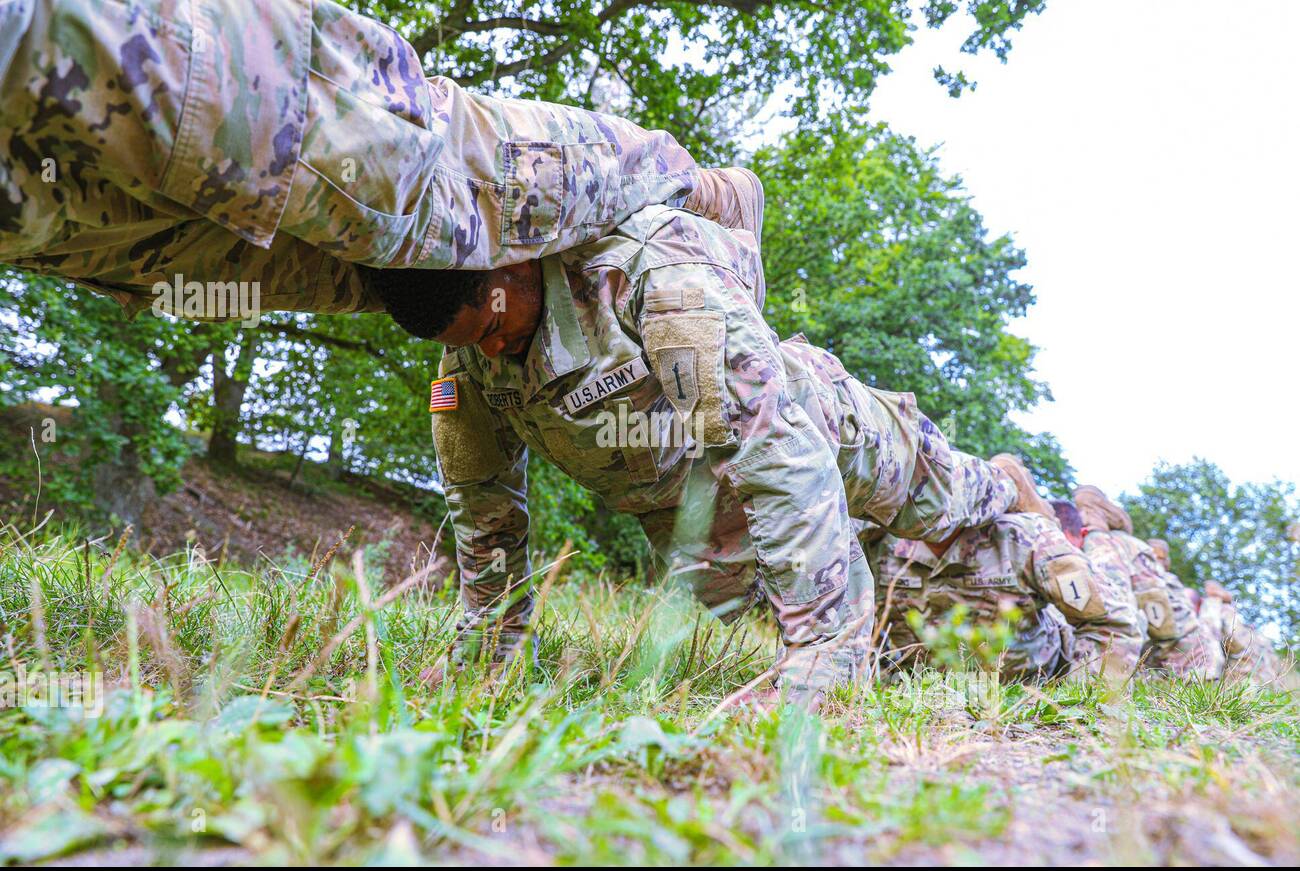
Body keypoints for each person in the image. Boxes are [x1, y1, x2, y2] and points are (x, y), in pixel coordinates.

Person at [368, 198, 1049, 704]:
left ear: (514, 263)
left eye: (492, 324)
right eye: (466, 343)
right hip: (703, 507)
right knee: (894, 630)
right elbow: (482, 508)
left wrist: (815, 659)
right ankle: (1040, 651)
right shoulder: (468, 367)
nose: (489, 350)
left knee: (945, 508)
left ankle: (1005, 483)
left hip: (823, 428)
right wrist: (488, 652)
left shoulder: (651, 278)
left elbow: (774, 451)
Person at [0, 0, 756, 315]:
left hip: (106, 53)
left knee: (428, 189)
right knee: (391, 285)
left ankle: (695, 190)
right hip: (51, 205)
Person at [864, 501, 1143, 682]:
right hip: (922, 687)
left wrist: (1075, 697)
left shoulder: (1025, 538)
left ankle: (1100, 526)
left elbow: (1113, 625)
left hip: (1035, 680)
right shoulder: (875, 538)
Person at [1071, 486, 1223, 679]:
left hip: (1183, 660)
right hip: (1139, 651)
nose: (1084, 518)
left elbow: (1157, 611)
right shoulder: (1100, 544)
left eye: (1088, 510)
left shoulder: (1122, 545)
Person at [1200, 581, 1282, 684]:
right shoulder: (1211, 604)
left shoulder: (1221, 606)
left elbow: (1231, 634)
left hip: (1234, 648)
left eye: (1212, 587)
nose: (1209, 590)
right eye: (1208, 588)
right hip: (1223, 649)